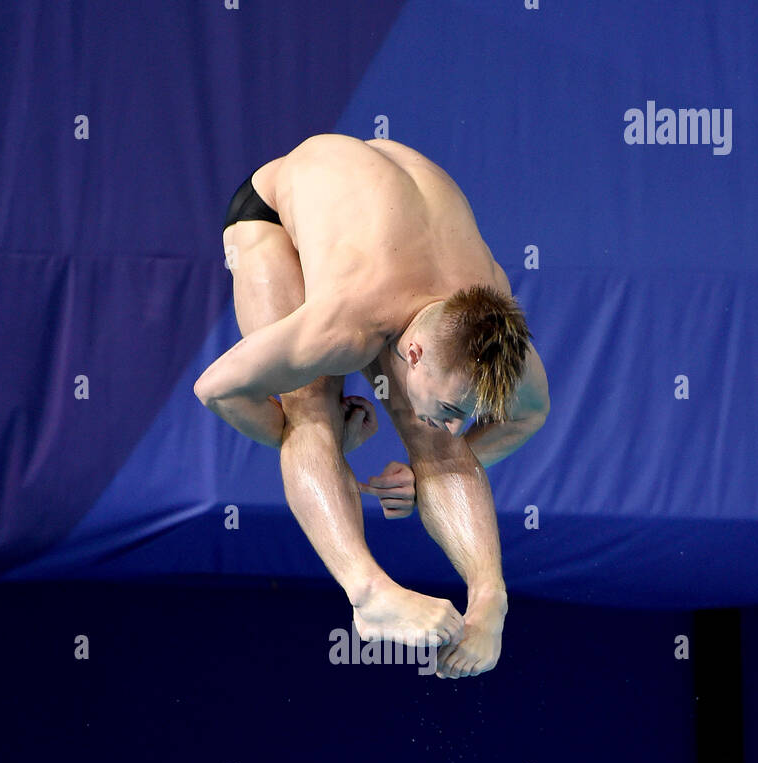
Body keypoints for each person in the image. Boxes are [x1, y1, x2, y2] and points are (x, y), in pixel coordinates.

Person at [194, 134, 550, 677]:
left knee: (435, 439)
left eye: (467, 413)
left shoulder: (497, 329)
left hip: (394, 218)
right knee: (309, 404)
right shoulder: (342, 325)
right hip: (275, 214)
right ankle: (368, 593)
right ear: (412, 350)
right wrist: (327, 441)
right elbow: (215, 389)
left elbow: (527, 414)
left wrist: (425, 466)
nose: (459, 424)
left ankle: (491, 597)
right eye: (456, 407)